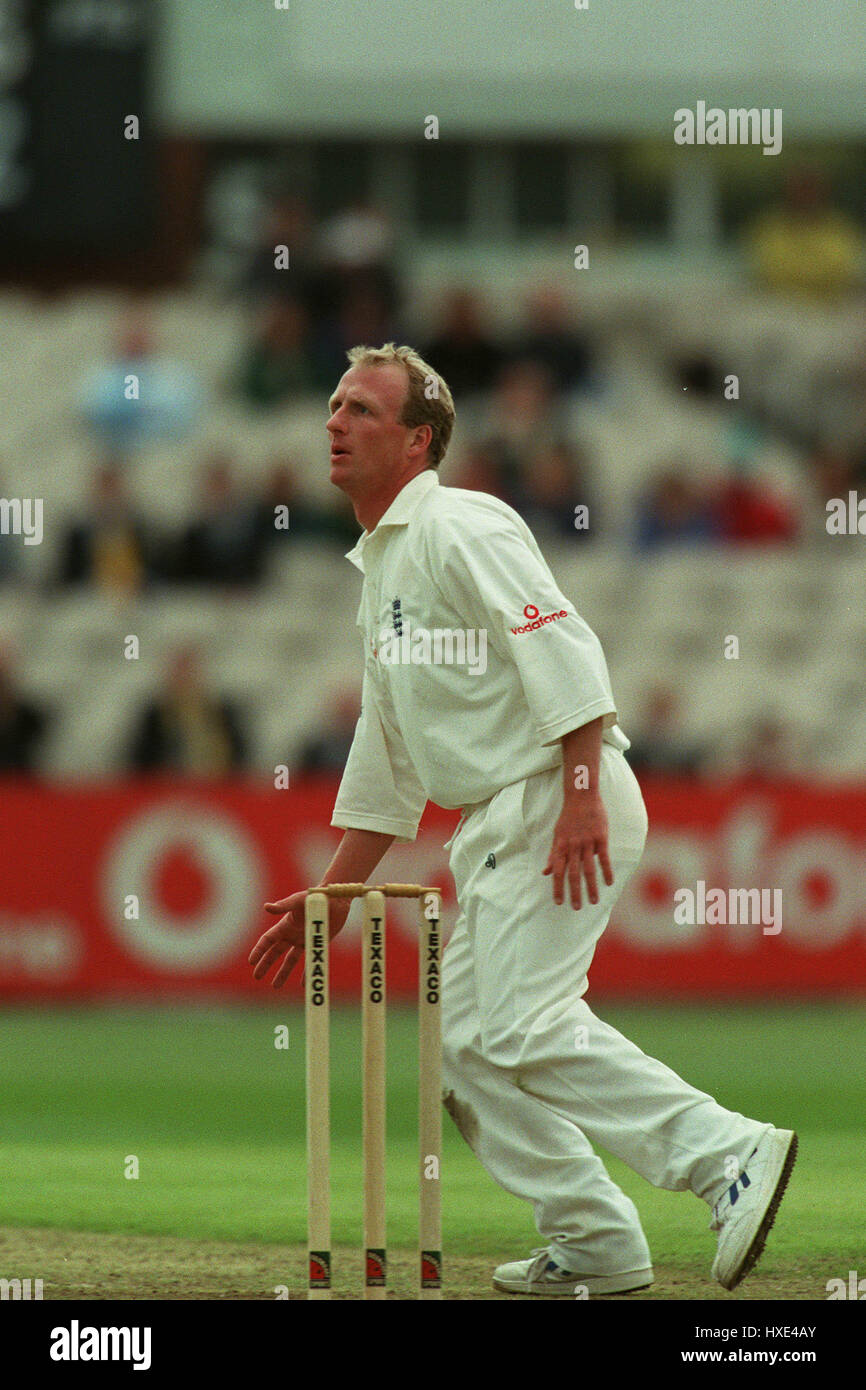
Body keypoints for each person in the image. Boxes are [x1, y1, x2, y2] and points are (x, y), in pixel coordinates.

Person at [248, 343, 797, 1297]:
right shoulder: (381, 574)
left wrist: (580, 788)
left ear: (419, 442)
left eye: (363, 411)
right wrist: (339, 894)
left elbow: (561, 645)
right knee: (464, 1049)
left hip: (552, 791)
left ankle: (727, 1155)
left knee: (520, 1025)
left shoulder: (462, 524)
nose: (334, 421)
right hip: (509, 813)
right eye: (334, 404)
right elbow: (387, 764)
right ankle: (595, 1241)